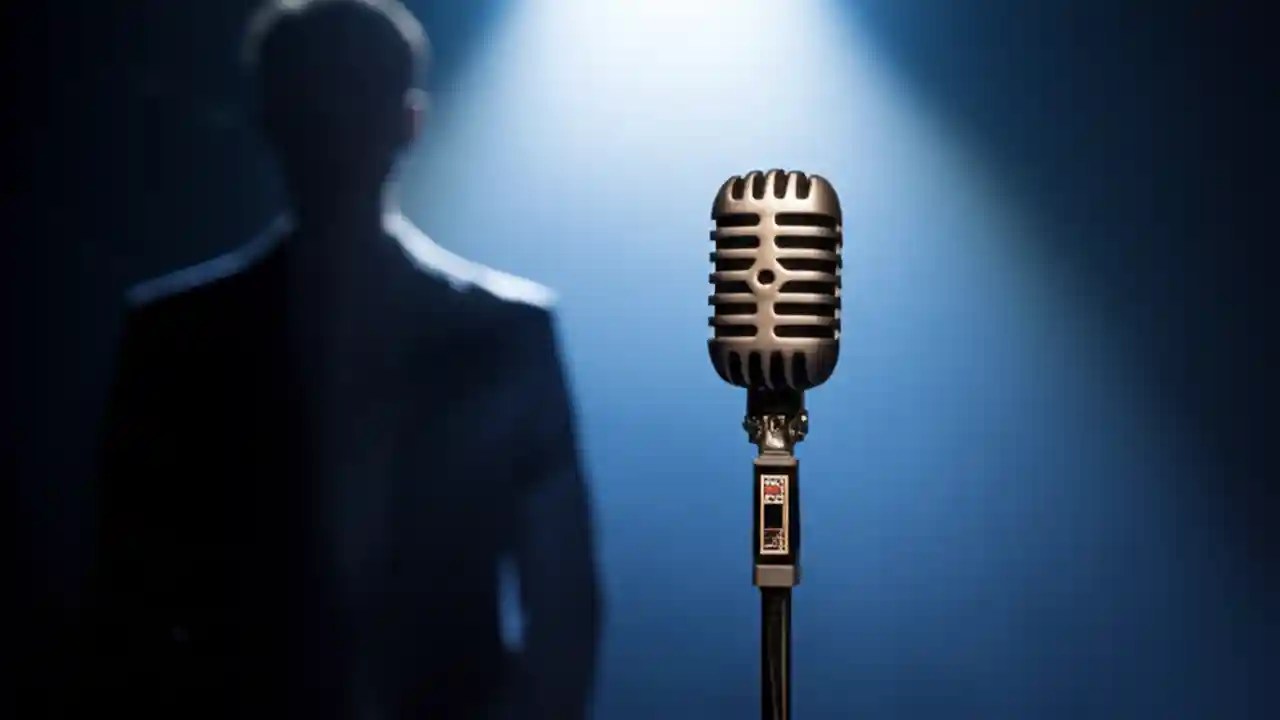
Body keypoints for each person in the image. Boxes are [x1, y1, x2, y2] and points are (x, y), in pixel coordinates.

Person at [78, 1, 600, 717]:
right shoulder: (504, 330)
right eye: (318, 103)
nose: (335, 131)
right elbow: (125, 609)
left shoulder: (177, 335)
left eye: (349, 100)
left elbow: (564, 607)